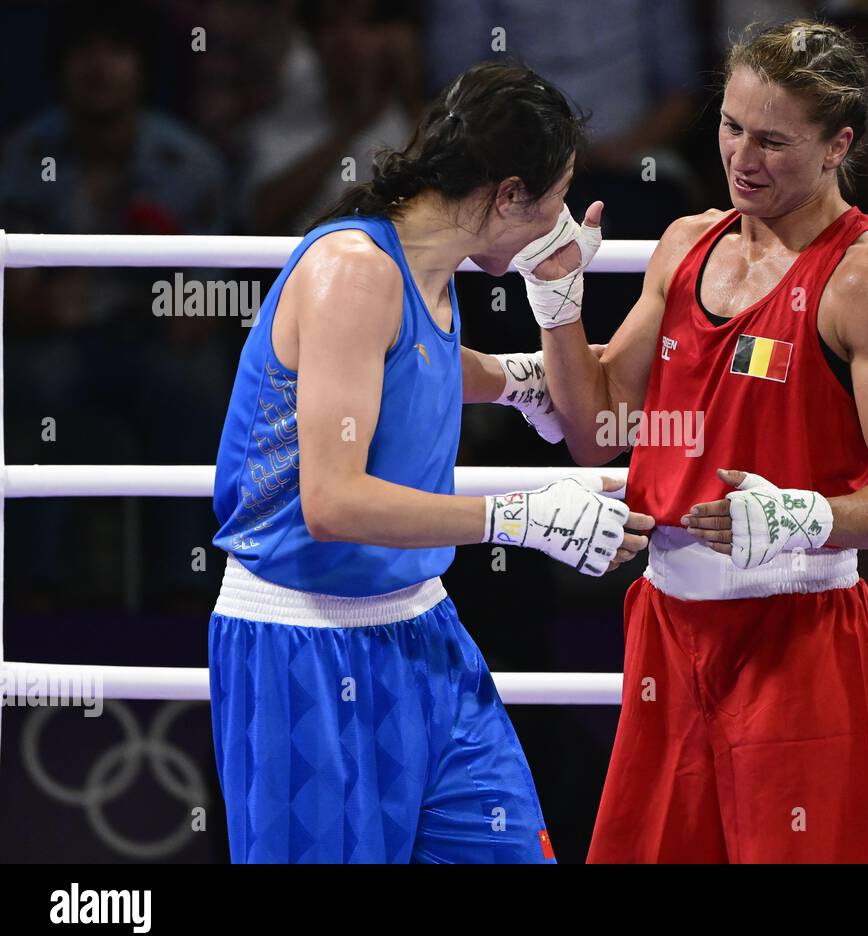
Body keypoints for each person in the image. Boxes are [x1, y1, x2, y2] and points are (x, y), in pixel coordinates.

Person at [207, 61, 654, 864]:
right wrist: (522, 516)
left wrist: (522, 373)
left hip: (422, 631)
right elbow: (334, 501)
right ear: (507, 194)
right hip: (301, 642)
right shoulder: (353, 271)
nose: (558, 223)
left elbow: (414, 361)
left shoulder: (429, 275)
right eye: (552, 203)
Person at [532, 20, 868, 862]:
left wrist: (801, 516)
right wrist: (558, 300)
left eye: (774, 141)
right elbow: (594, 430)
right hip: (666, 630)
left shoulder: (867, 281)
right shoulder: (686, 245)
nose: (742, 158)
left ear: (838, 145)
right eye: (730, 126)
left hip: (801, 633)